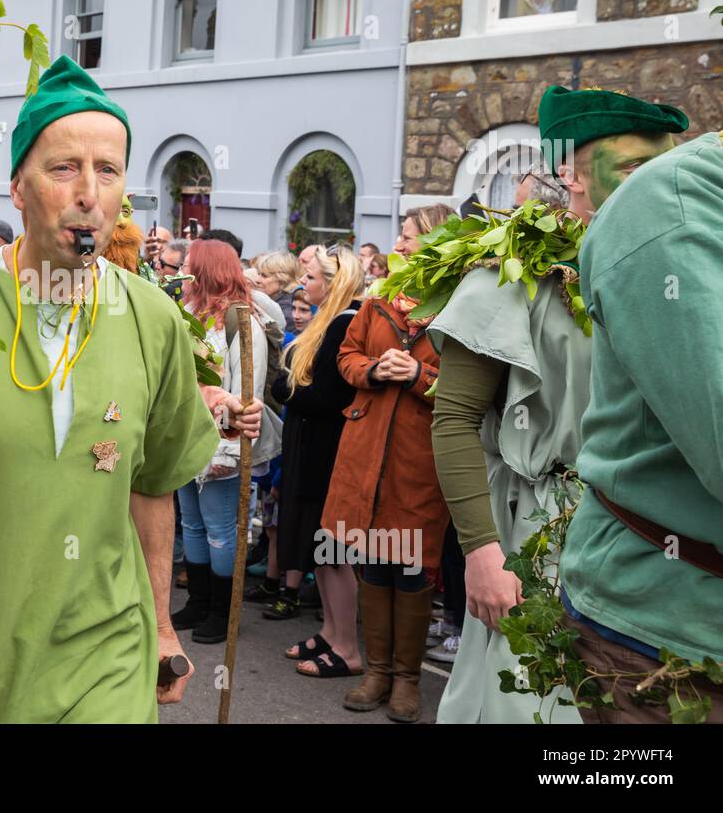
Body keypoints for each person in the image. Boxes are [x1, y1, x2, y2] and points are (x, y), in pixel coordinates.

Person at [0, 56, 253, 722]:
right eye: (64, 168)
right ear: (18, 190)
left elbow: (151, 484)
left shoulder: (152, 319)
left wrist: (161, 626)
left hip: (101, 656)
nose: (88, 191)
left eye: (108, 170)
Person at [427, 85, 688, 723]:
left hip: (643, 540)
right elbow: (454, 418)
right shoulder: (510, 275)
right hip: (536, 538)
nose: (652, 184)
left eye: (662, 167)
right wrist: (483, 555)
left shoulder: (666, 275)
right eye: (631, 167)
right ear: (569, 173)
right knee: (532, 702)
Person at [559, 125, 723, 723]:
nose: (635, 176)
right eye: (624, 166)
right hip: (665, 631)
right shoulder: (667, 210)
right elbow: (457, 417)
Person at [320, 204, 452, 721]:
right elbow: (345, 357)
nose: (398, 244)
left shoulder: (460, 305)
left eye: (409, 236)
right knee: (373, 558)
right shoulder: (377, 302)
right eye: (399, 234)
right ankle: (375, 673)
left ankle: (406, 680)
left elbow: (470, 389)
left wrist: (418, 374)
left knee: (415, 567)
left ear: (438, 241)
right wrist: (375, 369)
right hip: (367, 451)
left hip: (419, 460)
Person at [170, 240, 281, 645]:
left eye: (187, 264)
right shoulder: (186, 314)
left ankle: (221, 609)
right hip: (184, 441)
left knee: (221, 529)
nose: (181, 270)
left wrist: (229, 449)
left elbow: (244, 394)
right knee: (193, 525)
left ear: (206, 270)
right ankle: (198, 602)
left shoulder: (242, 321)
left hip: (222, 443)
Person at [272, 246, 365, 664]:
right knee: (320, 552)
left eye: (309, 278)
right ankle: (330, 632)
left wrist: (284, 390)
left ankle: (347, 645)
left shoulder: (345, 324)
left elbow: (330, 397)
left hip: (329, 453)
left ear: (332, 283)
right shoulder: (327, 322)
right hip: (311, 448)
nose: (302, 285)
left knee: (333, 552)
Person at [252, 250, 301, 321]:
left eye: (264, 276)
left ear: (282, 279)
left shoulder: (288, 311)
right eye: (258, 274)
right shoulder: (274, 303)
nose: (257, 280)